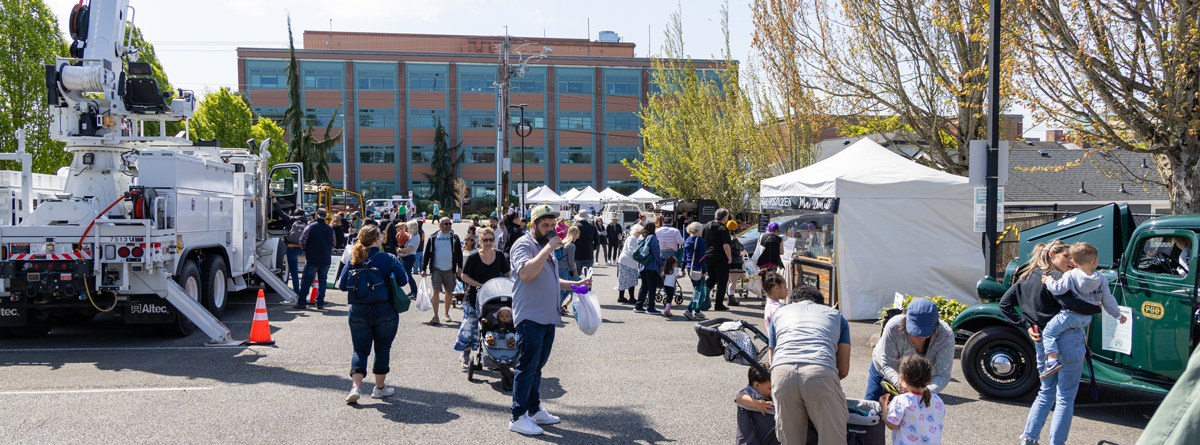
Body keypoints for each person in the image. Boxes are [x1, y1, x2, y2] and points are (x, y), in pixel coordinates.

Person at [507, 205, 591, 436]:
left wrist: (577, 284)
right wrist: (546, 249)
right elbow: (526, 273)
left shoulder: (547, 247)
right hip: (530, 317)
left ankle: (533, 410)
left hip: (546, 317)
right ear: (532, 225)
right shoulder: (524, 245)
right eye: (545, 226)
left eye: (553, 225)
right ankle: (517, 416)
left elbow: (551, 280)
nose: (551, 230)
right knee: (526, 368)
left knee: (537, 368)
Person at [1000, 239, 1092, 445]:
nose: (1070, 261)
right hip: (1068, 340)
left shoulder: (1024, 276)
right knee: (1065, 397)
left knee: (1046, 392)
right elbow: (1075, 305)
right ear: (1052, 255)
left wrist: (1025, 325)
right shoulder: (1058, 278)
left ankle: (1029, 439)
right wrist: (1097, 306)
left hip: (1041, 341)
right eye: (1066, 256)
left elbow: (1005, 304)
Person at [769, 284, 852, 445]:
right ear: (821, 305)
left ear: (793, 303)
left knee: (790, 440)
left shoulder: (779, 314)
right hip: (820, 371)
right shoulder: (836, 316)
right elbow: (843, 369)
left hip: (782, 373)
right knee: (832, 439)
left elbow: (774, 361)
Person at [338, 225, 408, 404]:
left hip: (358, 310)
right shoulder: (388, 258)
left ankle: (356, 387)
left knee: (360, 349)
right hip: (384, 309)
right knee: (382, 349)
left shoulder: (354, 258)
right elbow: (403, 280)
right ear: (378, 239)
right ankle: (379, 388)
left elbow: (342, 284)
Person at [1039, 242, 1126, 377]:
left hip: (1070, 315)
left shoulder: (1071, 275)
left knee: (1049, 333)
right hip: (1087, 318)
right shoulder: (1102, 279)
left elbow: (1058, 289)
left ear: (1073, 261)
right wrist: (1118, 315)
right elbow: (1108, 300)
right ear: (1095, 261)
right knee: (1079, 328)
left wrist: (1048, 281)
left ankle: (1051, 361)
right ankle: (1084, 349)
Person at [865, 298, 955, 402]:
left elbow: (943, 374)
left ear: (936, 323)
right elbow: (887, 363)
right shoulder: (894, 327)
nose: (920, 334)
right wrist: (899, 381)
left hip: (921, 379)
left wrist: (925, 392)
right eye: (916, 329)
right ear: (906, 320)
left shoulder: (945, 334)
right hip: (885, 369)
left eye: (926, 329)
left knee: (910, 415)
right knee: (872, 409)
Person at [454, 227, 512, 367]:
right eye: (485, 240)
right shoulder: (474, 257)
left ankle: (494, 353)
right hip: (473, 297)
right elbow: (464, 276)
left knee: (492, 325)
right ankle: (466, 354)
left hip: (492, 298)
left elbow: (507, 273)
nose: (488, 243)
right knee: (470, 327)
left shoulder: (499, 255)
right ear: (480, 241)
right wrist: (479, 284)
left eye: (491, 240)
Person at [881, 354, 945, 445]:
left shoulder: (901, 400)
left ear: (902, 378)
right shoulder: (938, 400)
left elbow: (892, 425)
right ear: (929, 380)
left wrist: (883, 407)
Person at [421, 217, 464, 325]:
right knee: (436, 291)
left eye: (450, 224)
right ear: (440, 225)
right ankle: (435, 316)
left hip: (450, 269)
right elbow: (427, 254)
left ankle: (446, 314)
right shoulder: (433, 238)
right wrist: (423, 268)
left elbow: (459, 253)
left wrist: (460, 267)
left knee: (449, 292)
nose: (448, 225)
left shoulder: (454, 237)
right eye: (446, 224)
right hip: (436, 269)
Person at [294, 209, 337, 310]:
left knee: (307, 281)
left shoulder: (310, 227)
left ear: (316, 215)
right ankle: (320, 302)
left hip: (312, 257)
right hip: (325, 258)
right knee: (323, 281)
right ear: (325, 216)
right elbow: (333, 243)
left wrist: (306, 249)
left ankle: (302, 302)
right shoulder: (330, 229)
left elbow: (302, 240)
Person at [736, 365, 779, 445]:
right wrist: (757, 404)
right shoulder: (751, 391)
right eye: (770, 388)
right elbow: (739, 397)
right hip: (753, 435)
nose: (772, 391)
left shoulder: (766, 393)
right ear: (757, 385)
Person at [703, 209, 734, 311]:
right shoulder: (723, 229)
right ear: (725, 217)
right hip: (720, 258)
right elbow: (726, 246)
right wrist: (729, 258)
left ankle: (702, 295)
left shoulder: (707, 226)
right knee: (722, 281)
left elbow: (703, 240)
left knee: (712, 278)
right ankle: (718, 304)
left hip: (708, 257)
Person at [634, 223, 665, 315]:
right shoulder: (652, 237)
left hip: (642, 265)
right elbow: (656, 252)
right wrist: (662, 264)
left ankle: (638, 306)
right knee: (652, 287)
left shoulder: (640, 238)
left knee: (644, 286)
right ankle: (650, 307)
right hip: (651, 266)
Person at [682, 222, 708, 320]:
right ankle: (689, 309)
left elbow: (684, 256)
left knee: (696, 288)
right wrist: (704, 270)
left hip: (690, 268)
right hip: (698, 267)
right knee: (698, 290)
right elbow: (702, 257)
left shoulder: (687, 240)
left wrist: (683, 268)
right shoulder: (700, 240)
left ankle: (697, 311)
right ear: (698, 230)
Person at [615, 224, 643, 304]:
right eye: (640, 232)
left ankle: (622, 297)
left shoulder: (633, 238)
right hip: (627, 262)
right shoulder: (632, 239)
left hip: (626, 261)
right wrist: (639, 256)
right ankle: (631, 298)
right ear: (636, 232)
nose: (641, 234)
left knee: (624, 279)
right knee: (630, 280)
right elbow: (632, 251)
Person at [285, 209, 308, 297]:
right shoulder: (307, 223)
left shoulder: (290, 220)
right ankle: (304, 291)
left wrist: (274, 199)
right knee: (307, 270)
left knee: (294, 272)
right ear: (303, 214)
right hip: (302, 249)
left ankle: (296, 292)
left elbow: (280, 212)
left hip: (291, 248)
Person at [558, 226, 580, 317]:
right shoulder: (571, 245)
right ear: (575, 234)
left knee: (566, 289)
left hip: (560, 268)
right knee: (564, 290)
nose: (579, 234)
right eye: (578, 232)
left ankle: (558, 307)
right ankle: (557, 308)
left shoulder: (564, 242)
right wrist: (574, 271)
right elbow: (571, 260)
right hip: (564, 269)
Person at [399, 221, 421, 298]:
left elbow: (408, 249)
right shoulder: (413, 236)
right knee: (408, 275)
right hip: (408, 256)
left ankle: (414, 292)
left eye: (408, 227)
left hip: (409, 257)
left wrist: (399, 250)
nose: (407, 229)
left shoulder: (414, 237)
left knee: (408, 275)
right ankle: (413, 292)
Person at [726, 220, 744, 307]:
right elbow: (736, 251)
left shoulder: (724, 236)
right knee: (733, 281)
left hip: (726, 261)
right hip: (734, 261)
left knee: (729, 281)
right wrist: (742, 253)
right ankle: (731, 298)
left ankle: (729, 295)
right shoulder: (733, 239)